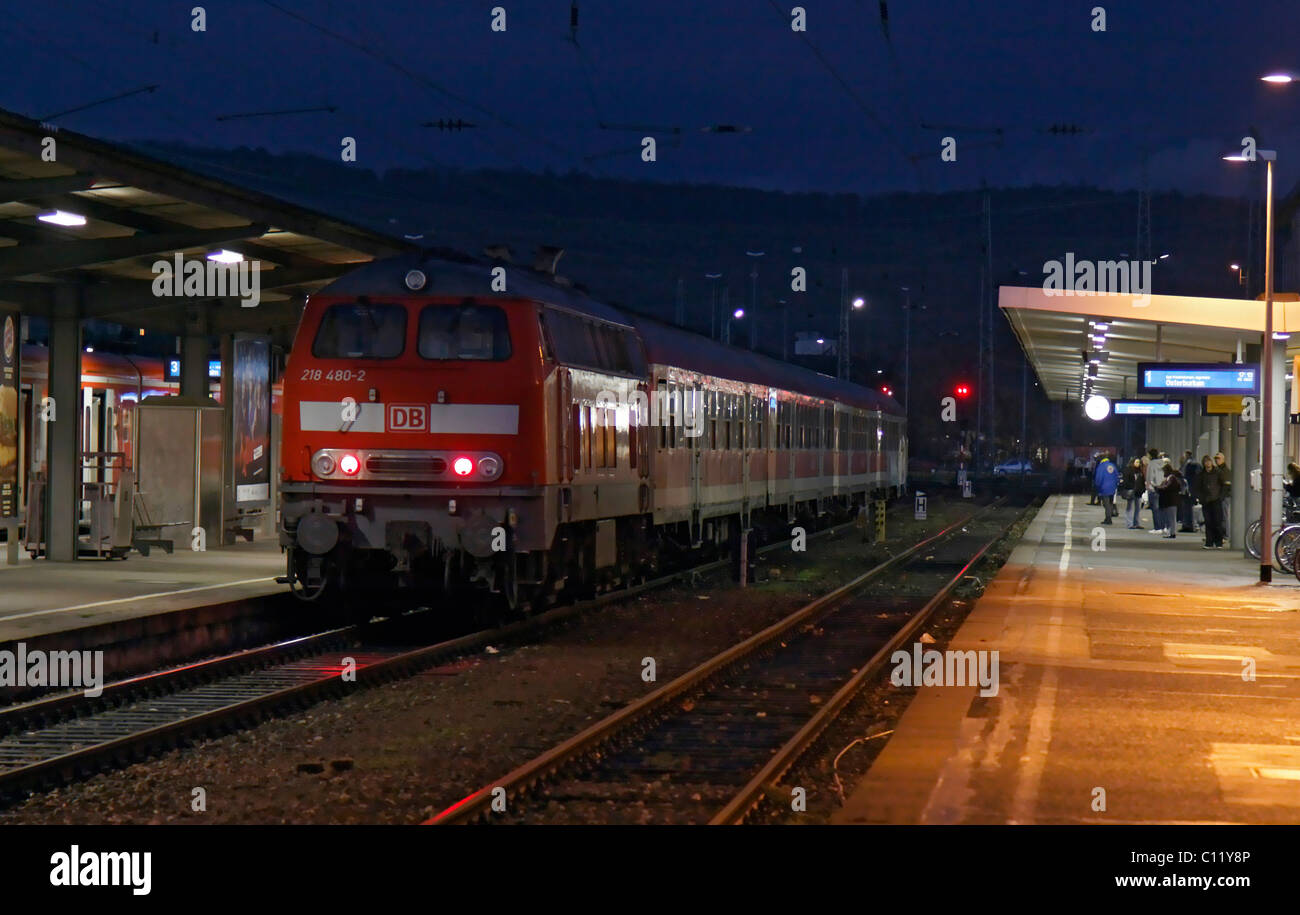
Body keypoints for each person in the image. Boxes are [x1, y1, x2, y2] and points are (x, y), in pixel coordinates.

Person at [1195, 454, 1226, 548]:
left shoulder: (1218, 472)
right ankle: (1209, 542)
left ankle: (1218, 542)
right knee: (1208, 522)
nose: (1208, 464)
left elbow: (1224, 485)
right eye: (1206, 462)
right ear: (1203, 464)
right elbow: (1198, 487)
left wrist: (1221, 497)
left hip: (1216, 499)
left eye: (1209, 461)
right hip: (1206, 500)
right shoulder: (1201, 474)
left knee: (1217, 522)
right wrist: (1200, 497)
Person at [1157, 457, 1184, 539]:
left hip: (1171, 500)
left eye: (1164, 471)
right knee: (1170, 518)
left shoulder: (1171, 478)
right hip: (1170, 500)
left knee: (1172, 518)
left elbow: (1168, 487)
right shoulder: (1170, 478)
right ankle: (1170, 532)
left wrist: (1160, 488)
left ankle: (1172, 533)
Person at [1093, 452, 1118, 524]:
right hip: (1112, 488)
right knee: (1110, 503)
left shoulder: (1101, 466)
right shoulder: (1112, 465)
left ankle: (1108, 519)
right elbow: (1117, 476)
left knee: (1106, 504)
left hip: (1104, 488)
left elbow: (1098, 478)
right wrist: (1115, 485)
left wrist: (1098, 486)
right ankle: (1109, 516)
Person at [1145, 447, 1165, 534]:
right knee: (1162, 509)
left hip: (1154, 489)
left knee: (1155, 509)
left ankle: (1157, 528)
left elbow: (1149, 477)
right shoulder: (1163, 463)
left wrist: (1149, 487)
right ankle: (1163, 526)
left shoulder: (1151, 464)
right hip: (1163, 488)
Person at [1122, 457, 1145, 528]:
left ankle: (1136, 523)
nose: (1138, 464)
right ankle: (1129, 524)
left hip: (1138, 491)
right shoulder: (1128, 470)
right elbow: (1126, 481)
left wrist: (1143, 489)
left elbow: (1142, 481)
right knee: (1130, 507)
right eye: (1136, 462)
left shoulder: (1140, 471)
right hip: (1131, 490)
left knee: (1138, 508)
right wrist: (1131, 487)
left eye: (1139, 462)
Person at [1179, 450, 1199, 532]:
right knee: (1186, 508)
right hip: (1187, 489)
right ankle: (1187, 525)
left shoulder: (1191, 465)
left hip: (1189, 489)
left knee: (1188, 508)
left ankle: (1189, 525)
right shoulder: (1190, 464)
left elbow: (1184, 476)